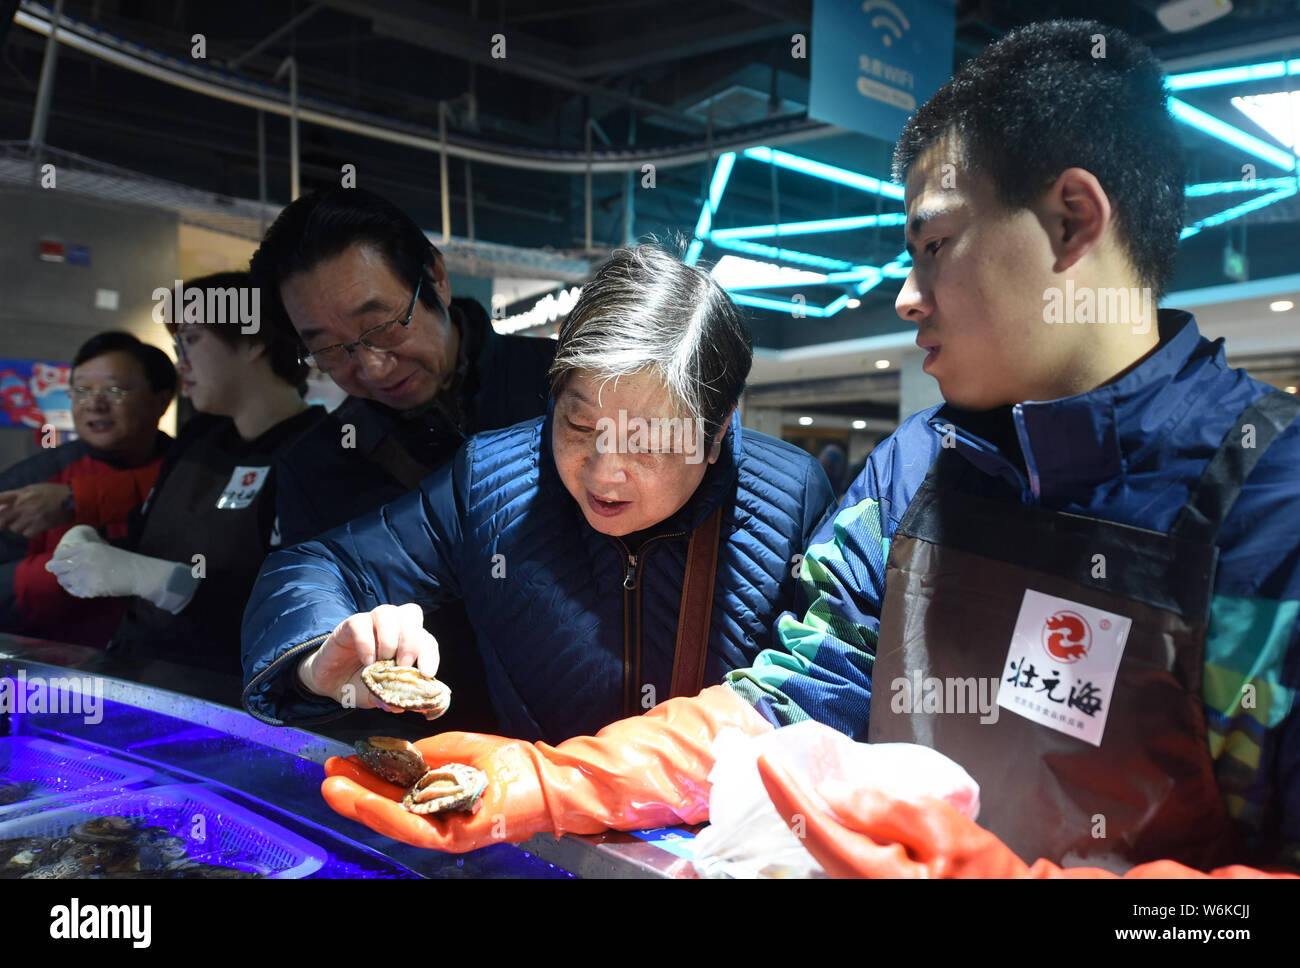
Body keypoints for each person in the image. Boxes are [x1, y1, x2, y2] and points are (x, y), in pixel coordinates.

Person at [318, 20, 1299, 877]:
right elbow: (783, 710)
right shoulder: (915, 471)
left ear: (1072, 220)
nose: (906, 294)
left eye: (932, 243)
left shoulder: (1273, 505)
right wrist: (549, 778)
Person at [241, 243, 837, 742]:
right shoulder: (489, 479)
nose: (603, 474)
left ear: (718, 430)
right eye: (579, 427)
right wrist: (320, 658)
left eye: (648, 442)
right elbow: (314, 565)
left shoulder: (792, 493)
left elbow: (833, 683)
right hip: (542, 832)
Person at [250, 187, 557, 731]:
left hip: (596, 745)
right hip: (428, 758)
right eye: (328, 349)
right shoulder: (315, 463)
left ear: (435, 276)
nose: (371, 366)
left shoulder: (564, 386)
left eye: (383, 324)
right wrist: (312, 661)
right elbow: (309, 584)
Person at [46, 272, 324, 682]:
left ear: (253, 340)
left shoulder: (317, 454)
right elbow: (150, 541)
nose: (181, 363)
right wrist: (95, 548)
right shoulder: (199, 438)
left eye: (192, 339)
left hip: (229, 701)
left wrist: (170, 585)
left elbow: (304, 614)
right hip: (136, 678)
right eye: (177, 345)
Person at [0, 332, 174, 646]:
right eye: (81, 390)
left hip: (175, 667)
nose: (94, 403)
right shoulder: (31, 483)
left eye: (116, 390)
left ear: (161, 400)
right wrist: (63, 572)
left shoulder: (196, 468)